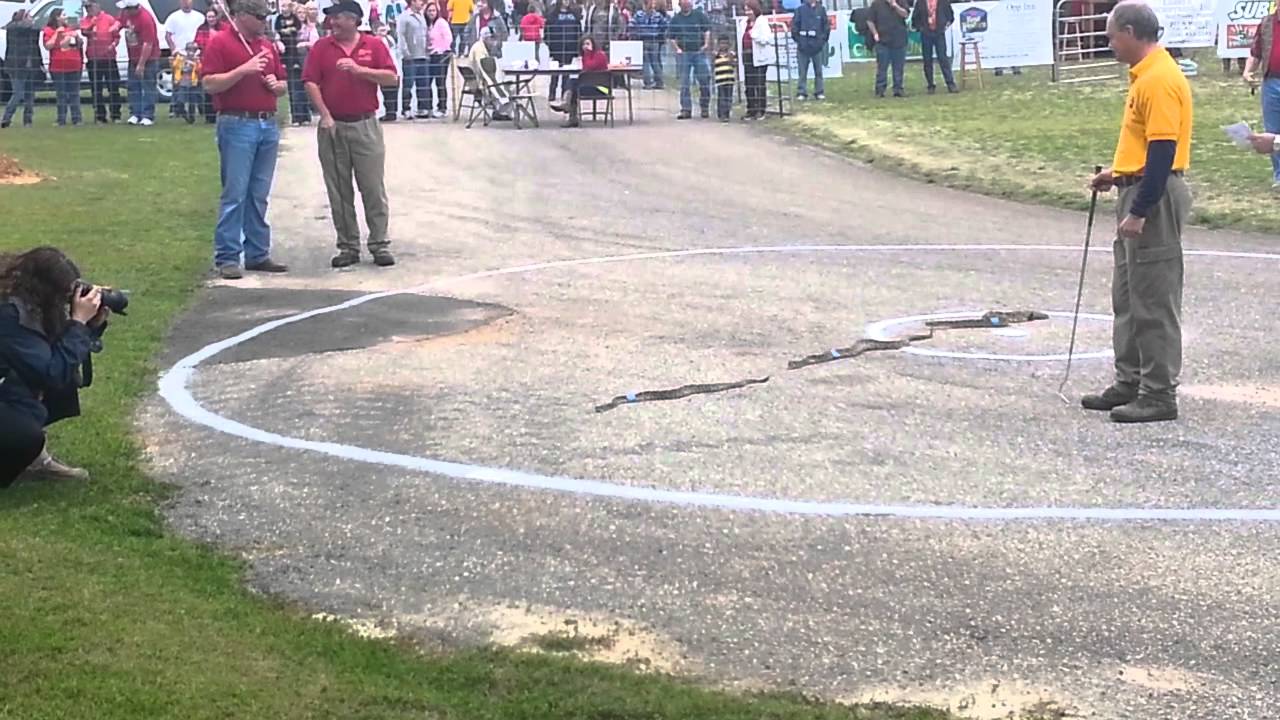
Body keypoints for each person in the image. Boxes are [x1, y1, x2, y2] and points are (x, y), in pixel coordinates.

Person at [1084, 1, 1192, 424]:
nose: (1108, 43)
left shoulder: (1160, 79)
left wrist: (1141, 208)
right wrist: (1118, 174)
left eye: (1111, 36)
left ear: (1130, 31)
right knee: (1127, 296)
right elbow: (1148, 148)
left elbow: (1164, 151)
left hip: (1154, 197)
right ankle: (1129, 381)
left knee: (1154, 297)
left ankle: (1159, 393)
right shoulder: (1145, 77)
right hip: (1138, 187)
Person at [0, 248, 110, 487]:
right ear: (44, 289)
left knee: (63, 371)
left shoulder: (25, 300)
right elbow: (51, 372)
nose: (65, 300)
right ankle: (24, 455)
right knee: (24, 435)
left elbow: (54, 356)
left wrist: (89, 326)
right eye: (63, 295)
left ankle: (35, 458)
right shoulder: (8, 312)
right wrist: (78, 324)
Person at [303, 0, 399, 268]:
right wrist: (324, 114)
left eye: (338, 18)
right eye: (332, 18)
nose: (332, 22)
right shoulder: (322, 47)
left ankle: (379, 244)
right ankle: (348, 246)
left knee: (372, 187)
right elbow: (310, 81)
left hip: (366, 124)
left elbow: (392, 78)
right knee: (339, 189)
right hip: (333, 126)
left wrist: (361, 71)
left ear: (354, 19)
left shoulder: (374, 45)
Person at [201, 0, 291, 280]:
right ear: (240, 16)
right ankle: (227, 256)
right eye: (259, 15)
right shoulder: (220, 42)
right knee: (235, 193)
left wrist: (278, 87)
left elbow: (284, 83)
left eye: (266, 15)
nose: (265, 20)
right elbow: (209, 83)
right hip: (237, 122)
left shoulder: (267, 44)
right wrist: (244, 69)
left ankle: (257, 253)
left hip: (267, 123)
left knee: (259, 194)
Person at [1242, 6, 1280, 189]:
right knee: (1272, 130)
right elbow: (1256, 53)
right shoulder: (1266, 23)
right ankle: (1279, 175)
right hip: (1271, 82)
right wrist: (1248, 72)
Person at [118, 0, 161, 126]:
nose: (124, 12)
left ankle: (148, 115)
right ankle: (135, 113)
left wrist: (141, 64)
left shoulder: (145, 19)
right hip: (133, 56)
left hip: (149, 58)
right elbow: (119, 22)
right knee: (133, 86)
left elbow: (148, 44)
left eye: (126, 9)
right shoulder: (126, 14)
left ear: (133, 8)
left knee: (148, 86)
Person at [549, 34, 607, 127]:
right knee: (573, 85)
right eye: (583, 45)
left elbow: (589, 67)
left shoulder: (599, 55)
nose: (585, 46)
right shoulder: (587, 56)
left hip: (601, 88)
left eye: (588, 44)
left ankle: (568, 109)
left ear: (593, 44)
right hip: (591, 85)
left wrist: (587, 54)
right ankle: (571, 114)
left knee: (573, 85)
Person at [81, 0, 123, 124]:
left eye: (90, 6)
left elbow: (116, 36)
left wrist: (113, 45)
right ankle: (100, 115)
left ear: (97, 5)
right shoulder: (86, 20)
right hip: (93, 58)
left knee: (113, 87)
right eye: (86, 7)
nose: (88, 9)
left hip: (109, 58)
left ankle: (116, 114)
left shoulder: (108, 18)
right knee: (96, 88)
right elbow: (84, 31)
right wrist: (92, 23)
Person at [668, 0, 711, 119]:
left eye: (688, 2)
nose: (687, 5)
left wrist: (706, 44)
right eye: (684, 3)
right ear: (680, 4)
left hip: (699, 52)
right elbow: (671, 37)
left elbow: (707, 29)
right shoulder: (676, 19)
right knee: (684, 82)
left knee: (704, 79)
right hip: (684, 53)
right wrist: (677, 49)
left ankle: (705, 107)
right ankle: (686, 109)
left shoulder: (699, 15)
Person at [44, 10, 85, 127]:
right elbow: (48, 46)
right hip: (57, 67)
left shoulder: (70, 30)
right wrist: (57, 33)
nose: (66, 17)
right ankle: (61, 119)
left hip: (74, 65)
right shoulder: (48, 30)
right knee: (61, 94)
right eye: (64, 15)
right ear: (57, 17)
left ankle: (77, 119)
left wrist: (77, 37)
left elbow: (79, 45)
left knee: (74, 94)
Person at [2, 11, 42, 129]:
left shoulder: (32, 32)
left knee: (30, 95)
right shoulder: (13, 30)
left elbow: (36, 46)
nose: (32, 19)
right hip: (16, 67)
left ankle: (28, 120)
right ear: (22, 19)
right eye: (29, 17)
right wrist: (28, 24)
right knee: (18, 94)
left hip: (31, 66)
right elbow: (17, 27)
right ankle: (6, 118)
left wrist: (39, 63)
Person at [274, 0, 310, 124]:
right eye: (282, 6)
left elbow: (298, 32)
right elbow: (277, 33)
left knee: (303, 87)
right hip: (286, 55)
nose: (285, 8)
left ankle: (305, 115)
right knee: (293, 87)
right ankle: (296, 116)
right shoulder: (278, 19)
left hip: (299, 56)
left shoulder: (296, 20)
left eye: (287, 5)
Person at [911, 0, 956, 94]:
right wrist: (921, 28)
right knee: (927, 60)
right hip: (926, 33)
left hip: (939, 33)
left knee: (943, 58)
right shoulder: (920, 2)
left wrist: (945, 25)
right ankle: (930, 85)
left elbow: (950, 16)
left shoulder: (943, 2)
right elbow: (915, 18)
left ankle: (950, 83)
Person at [866, 0, 908, 98]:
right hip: (882, 40)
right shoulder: (876, 4)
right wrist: (875, 33)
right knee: (882, 67)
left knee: (898, 67)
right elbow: (869, 20)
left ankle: (898, 89)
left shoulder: (901, 2)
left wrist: (895, 5)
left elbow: (905, 15)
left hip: (899, 40)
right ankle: (880, 90)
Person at [398, 0, 432, 118]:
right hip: (411, 56)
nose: (422, 3)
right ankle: (406, 108)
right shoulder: (404, 16)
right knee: (408, 83)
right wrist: (406, 53)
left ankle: (422, 108)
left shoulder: (422, 15)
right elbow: (401, 35)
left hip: (423, 55)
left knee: (423, 83)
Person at [196, 9, 229, 124]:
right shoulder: (201, 29)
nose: (211, 19)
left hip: (221, 62)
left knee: (221, 87)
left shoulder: (224, 27)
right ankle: (210, 116)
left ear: (217, 17)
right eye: (209, 17)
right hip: (206, 61)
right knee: (208, 89)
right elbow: (198, 43)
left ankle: (223, 111)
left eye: (213, 17)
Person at [790, 0, 827, 100]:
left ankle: (819, 91)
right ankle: (801, 92)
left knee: (818, 70)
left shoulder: (821, 10)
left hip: (817, 46)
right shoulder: (799, 10)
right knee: (802, 71)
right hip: (803, 45)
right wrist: (799, 41)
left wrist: (821, 41)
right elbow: (794, 27)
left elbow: (826, 27)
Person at [545, 0, 581, 101]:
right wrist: (550, 45)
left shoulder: (574, 15)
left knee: (567, 73)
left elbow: (578, 31)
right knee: (555, 73)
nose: (567, 2)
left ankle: (564, 94)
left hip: (570, 48)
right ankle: (552, 93)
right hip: (557, 48)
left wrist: (577, 47)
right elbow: (547, 31)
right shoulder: (553, 15)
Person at [743, 0, 771, 119]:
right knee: (749, 84)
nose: (747, 12)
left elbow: (766, 39)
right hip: (747, 56)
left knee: (759, 84)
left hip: (759, 57)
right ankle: (751, 109)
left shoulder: (762, 22)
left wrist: (753, 35)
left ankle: (761, 110)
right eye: (745, 10)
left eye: (749, 9)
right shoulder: (744, 22)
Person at [631, 0, 668, 89]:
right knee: (655, 62)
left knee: (645, 62)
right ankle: (659, 82)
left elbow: (631, 25)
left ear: (644, 4)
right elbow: (665, 25)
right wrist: (659, 32)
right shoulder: (657, 15)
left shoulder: (639, 14)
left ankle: (648, 83)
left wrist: (636, 33)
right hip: (654, 40)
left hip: (643, 40)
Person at [426, 1, 453, 117]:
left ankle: (442, 107)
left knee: (440, 82)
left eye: (433, 11)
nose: (431, 13)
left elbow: (449, 38)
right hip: (430, 55)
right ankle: (429, 106)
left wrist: (440, 50)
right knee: (428, 82)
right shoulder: (427, 24)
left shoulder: (441, 23)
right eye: (429, 11)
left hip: (442, 55)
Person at [172, 41, 202, 122]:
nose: (191, 52)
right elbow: (174, 65)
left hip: (193, 84)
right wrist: (176, 57)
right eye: (189, 50)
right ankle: (183, 113)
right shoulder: (181, 59)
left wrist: (196, 63)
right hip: (182, 83)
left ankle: (191, 118)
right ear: (186, 50)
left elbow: (200, 70)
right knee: (180, 101)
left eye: (193, 50)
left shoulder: (197, 60)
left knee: (192, 103)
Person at [712, 34, 734, 121]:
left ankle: (727, 113)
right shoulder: (716, 55)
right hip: (720, 80)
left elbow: (734, 65)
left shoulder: (731, 54)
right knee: (721, 97)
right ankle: (721, 114)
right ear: (718, 44)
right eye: (721, 44)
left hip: (729, 80)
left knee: (729, 97)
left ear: (729, 44)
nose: (723, 45)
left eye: (725, 44)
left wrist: (731, 59)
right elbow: (713, 65)